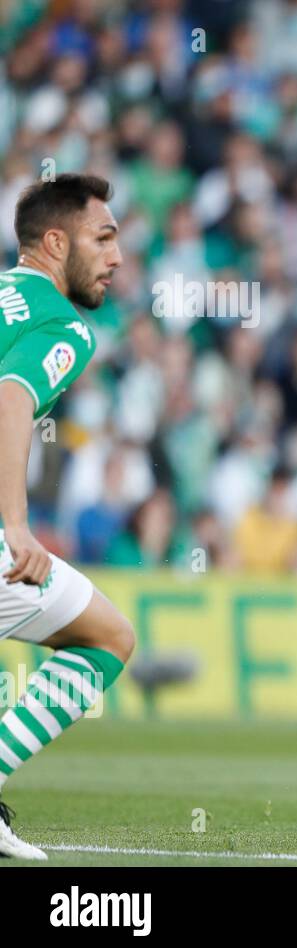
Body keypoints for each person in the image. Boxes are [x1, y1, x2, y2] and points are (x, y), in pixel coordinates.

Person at [0, 174, 137, 861]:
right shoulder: (61, 324)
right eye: (103, 239)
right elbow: (13, 398)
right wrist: (16, 524)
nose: (116, 257)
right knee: (108, 638)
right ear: (56, 243)